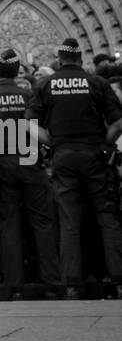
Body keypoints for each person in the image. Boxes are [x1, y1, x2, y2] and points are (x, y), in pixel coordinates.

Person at [29, 38, 122, 299]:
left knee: (69, 220)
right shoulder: (97, 83)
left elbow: (30, 126)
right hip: (94, 154)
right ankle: (118, 280)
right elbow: (118, 123)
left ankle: (71, 284)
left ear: (59, 60)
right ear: (81, 59)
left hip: (63, 155)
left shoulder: (45, 84)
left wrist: (54, 143)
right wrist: (104, 143)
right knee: (106, 217)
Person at [0, 48, 60, 300]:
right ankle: (52, 284)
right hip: (30, 158)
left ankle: (13, 287)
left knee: (9, 227)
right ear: (18, 71)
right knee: (43, 223)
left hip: (3, 163)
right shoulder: (29, 94)